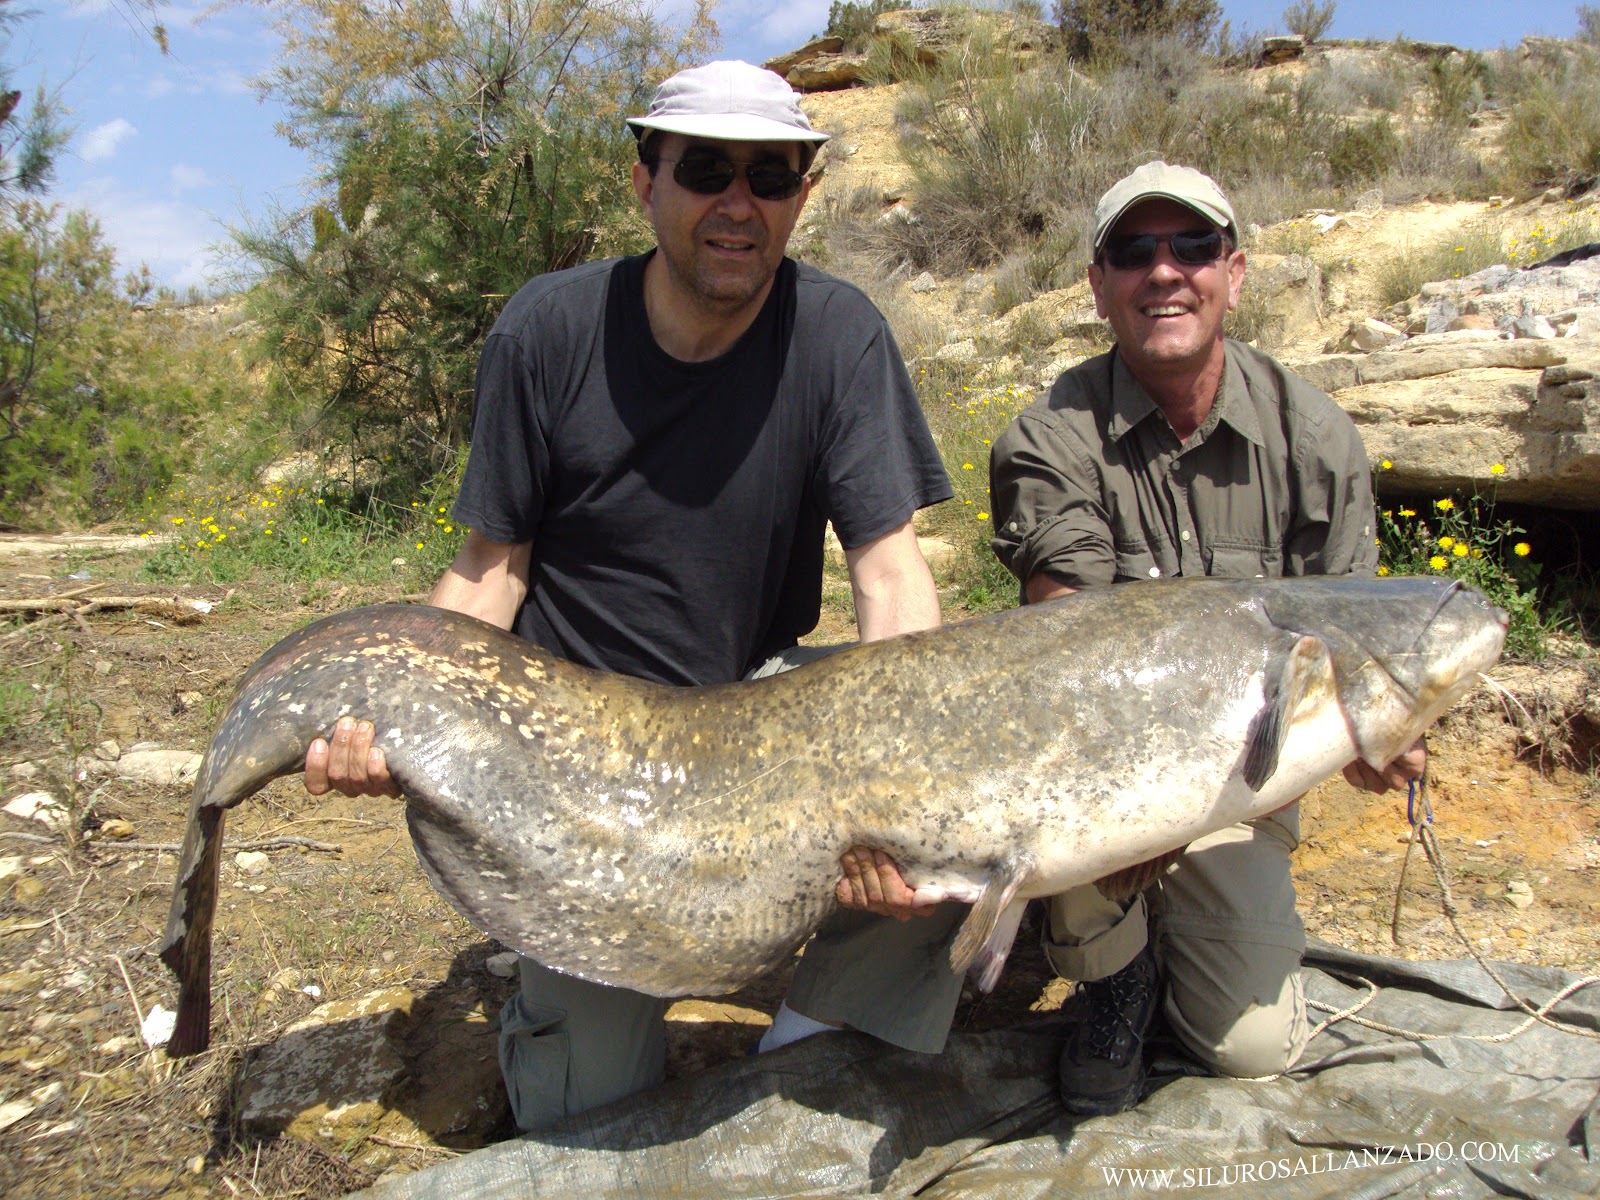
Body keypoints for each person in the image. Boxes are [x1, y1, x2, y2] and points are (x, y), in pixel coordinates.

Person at [300, 59, 954, 1131]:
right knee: (589, 1106)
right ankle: (566, 1002)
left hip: (754, 716)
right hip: (574, 742)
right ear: (645, 181)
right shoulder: (545, 332)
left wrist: (902, 794)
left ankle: (803, 1046)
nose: (738, 203)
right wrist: (388, 716)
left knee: (949, 809)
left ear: (803, 193)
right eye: (705, 170)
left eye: (772, 176)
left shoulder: (840, 336)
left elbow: (889, 573)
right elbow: (488, 571)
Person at [987, 161, 1426, 1116]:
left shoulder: (1317, 439)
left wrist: (1373, 732)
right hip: (1099, 758)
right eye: (1133, 252)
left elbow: (1351, 647)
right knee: (1079, 831)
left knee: (1251, 1049)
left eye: (1191, 247)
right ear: (1099, 285)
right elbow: (1070, 667)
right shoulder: (1047, 437)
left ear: (1234, 271)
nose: (1164, 272)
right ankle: (1116, 980)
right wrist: (1139, 820)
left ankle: (1160, 933)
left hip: (1247, 777)